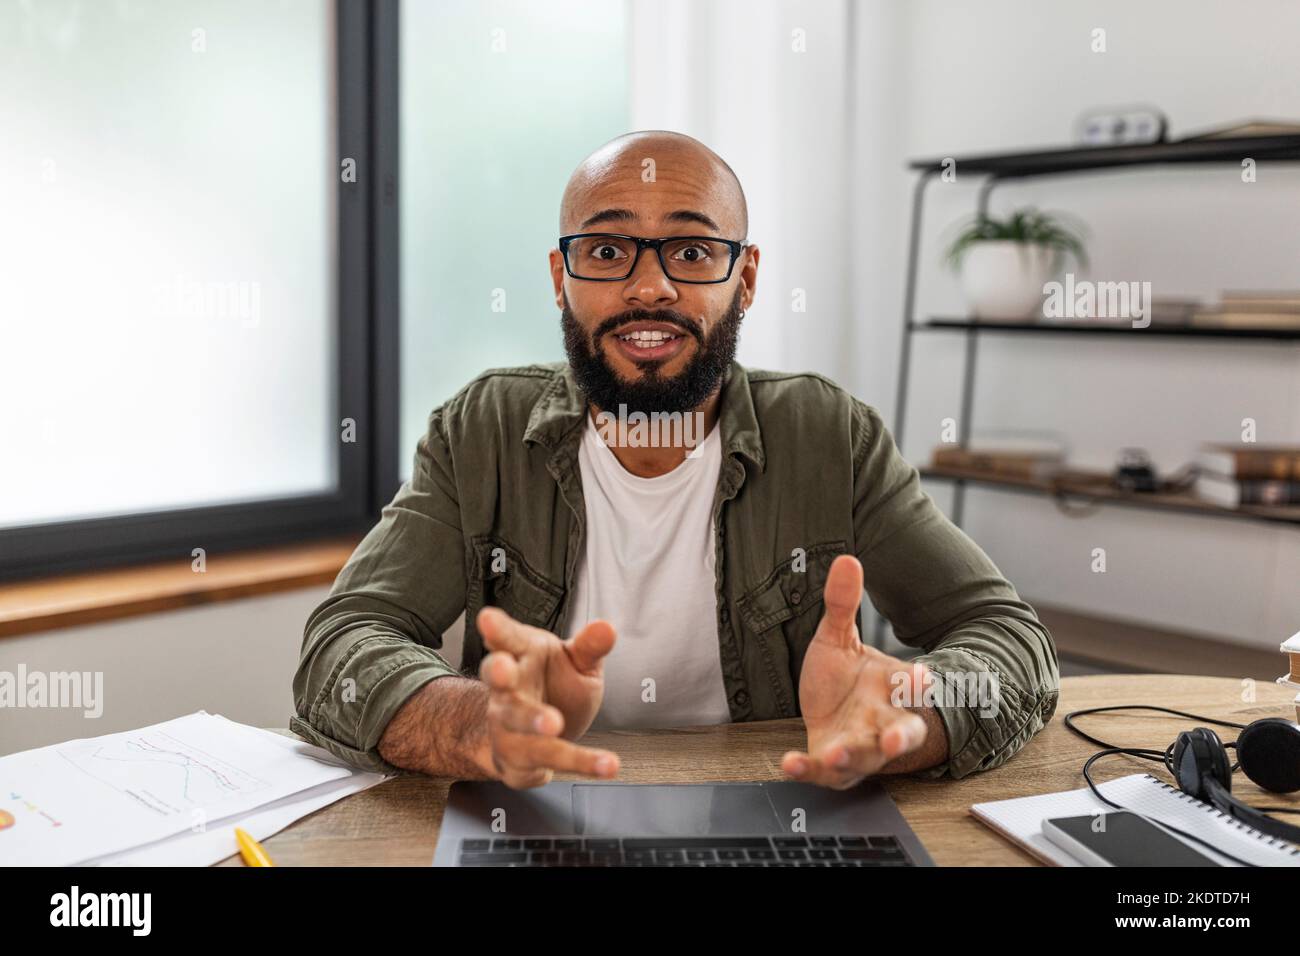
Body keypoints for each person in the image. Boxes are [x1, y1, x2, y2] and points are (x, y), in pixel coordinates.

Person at [292, 130, 1059, 791]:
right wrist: (475, 723)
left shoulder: (832, 437)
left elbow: (1006, 636)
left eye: (692, 251)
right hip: (537, 811)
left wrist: (916, 713)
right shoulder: (481, 430)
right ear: (561, 279)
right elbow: (343, 643)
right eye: (607, 251)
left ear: (745, 279)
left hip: (781, 809)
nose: (650, 287)